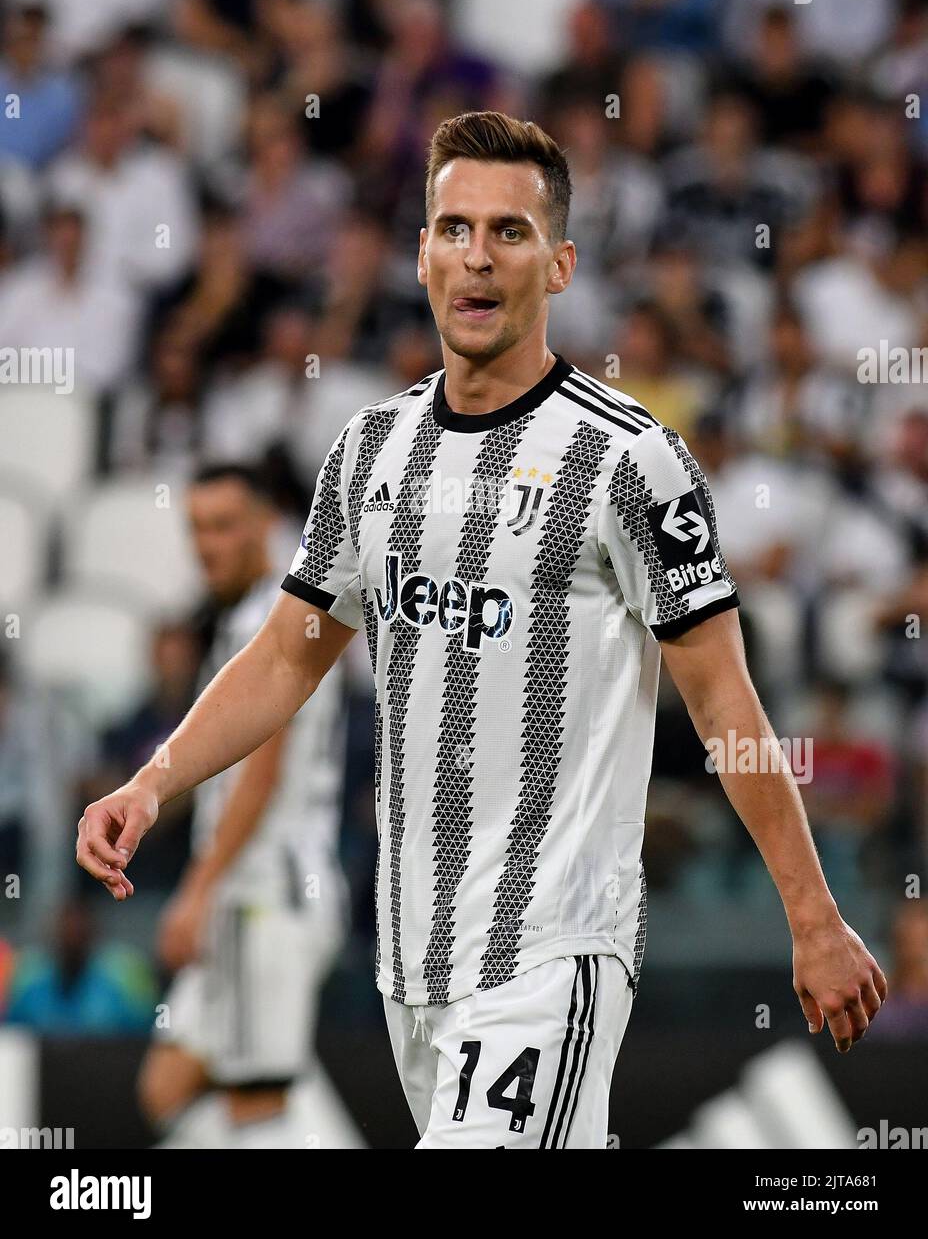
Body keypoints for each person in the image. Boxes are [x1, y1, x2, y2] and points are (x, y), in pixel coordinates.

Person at [77, 111, 887, 1150]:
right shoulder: (370, 450)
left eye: (508, 232)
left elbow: (725, 700)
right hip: (412, 963)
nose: (476, 254)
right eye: (453, 227)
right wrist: (153, 782)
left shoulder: (630, 461)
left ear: (558, 264)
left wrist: (812, 918)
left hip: (554, 945)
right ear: (420, 253)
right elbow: (288, 654)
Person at [135, 464, 349, 1148]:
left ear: (264, 524)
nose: (206, 545)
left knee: (258, 1105)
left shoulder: (279, 620)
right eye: (196, 528)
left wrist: (196, 890)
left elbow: (261, 770)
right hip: (242, 891)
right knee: (173, 1083)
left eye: (224, 526)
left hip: (271, 893)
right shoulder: (245, 617)